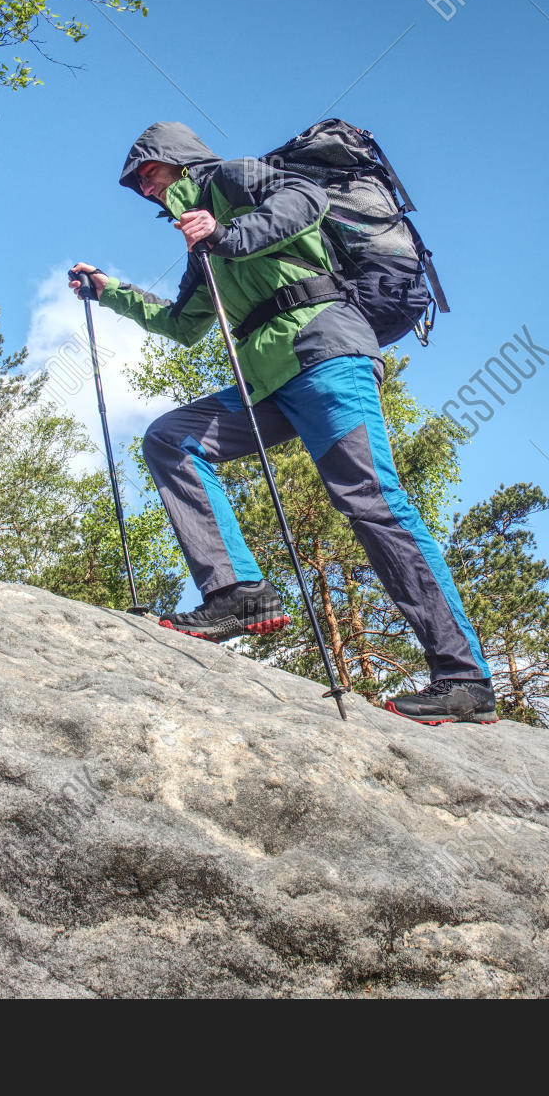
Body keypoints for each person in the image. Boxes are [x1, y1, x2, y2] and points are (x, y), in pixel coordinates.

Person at [71, 122, 494, 726]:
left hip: (326, 355)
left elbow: (304, 201)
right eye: (136, 182)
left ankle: (463, 678)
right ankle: (237, 593)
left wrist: (227, 233)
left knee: (370, 500)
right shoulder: (201, 242)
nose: (143, 187)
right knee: (171, 437)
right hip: (265, 384)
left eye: (149, 171)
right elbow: (183, 325)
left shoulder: (234, 177)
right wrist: (111, 292)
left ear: (178, 160)